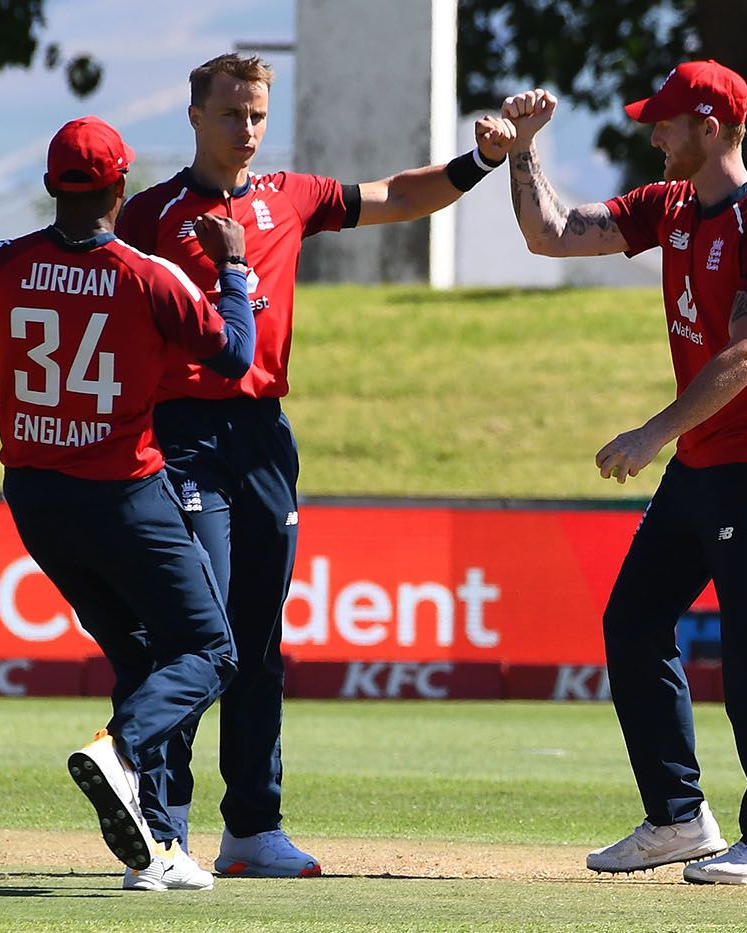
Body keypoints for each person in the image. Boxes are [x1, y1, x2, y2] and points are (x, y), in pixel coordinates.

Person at [115, 53, 517, 878]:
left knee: (259, 637)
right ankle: (164, 825)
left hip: (263, 437)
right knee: (200, 632)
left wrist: (478, 162)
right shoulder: (151, 213)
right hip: (181, 434)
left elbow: (400, 197)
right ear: (194, 117)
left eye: (258, 114)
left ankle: (252, 829)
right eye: (232, 114)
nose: (248, 130)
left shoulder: (289, 196)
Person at [0, 116, 256, 892]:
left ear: (53, 185)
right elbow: (237, 355)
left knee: (141, 653)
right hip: (124, 494)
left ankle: (155, 847)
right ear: (120, 186)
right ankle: (118, 749)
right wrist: (236, 269)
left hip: (37, 499)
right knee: (212, 651)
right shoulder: (147, 276)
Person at [500, 60, 747, 885]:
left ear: (710, 126)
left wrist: (651, 433)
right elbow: (551, 234)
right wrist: (524, 152)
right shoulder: (669, 204)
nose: (652, 134)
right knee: (634, 623)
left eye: (665, 122)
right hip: (701, 459)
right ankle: (679, 818)